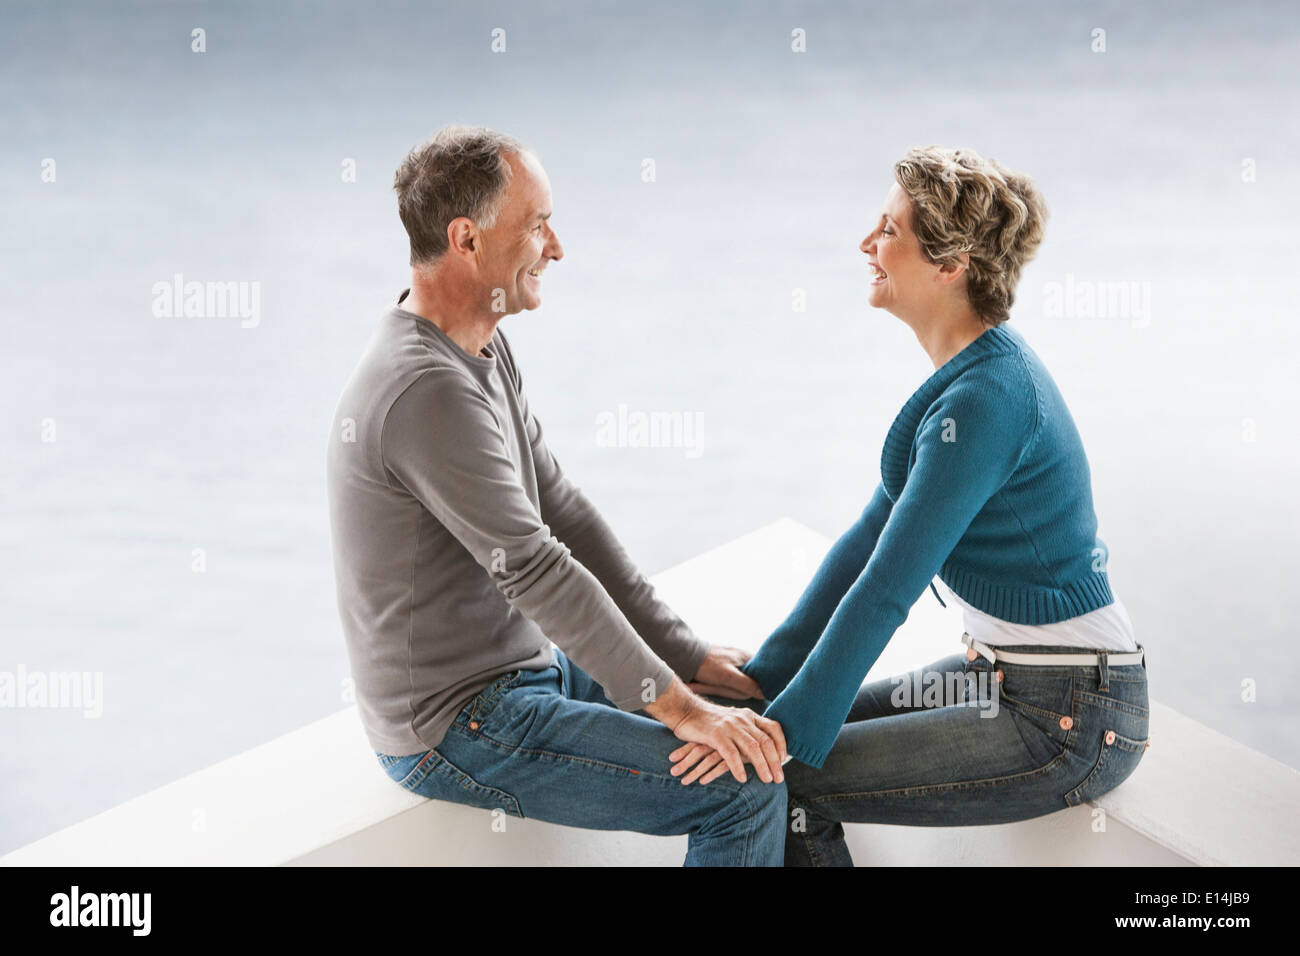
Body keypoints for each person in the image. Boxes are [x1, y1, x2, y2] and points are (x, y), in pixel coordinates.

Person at [666, 146, 1150, 866]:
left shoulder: (987, 400)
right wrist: (762, 685)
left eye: (888, 231)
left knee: (780, 775)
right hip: (1004, 678)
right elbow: (866, 545)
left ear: (950, 265)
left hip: (1070, 715)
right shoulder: (969, 383)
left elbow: (887, 590)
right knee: (771, 748)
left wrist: (782, 736)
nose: (867, 243)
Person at [325, 125, 788, 866]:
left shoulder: (478, 342)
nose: (557, 248)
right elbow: (535, 566)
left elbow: (560, 507)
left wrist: (682, 654)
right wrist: (678, 707)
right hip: (458, 722)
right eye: (538, 225)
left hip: (526, 670)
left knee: (762, 723)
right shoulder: (424, 389)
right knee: (740, 787)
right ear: (467, 239)